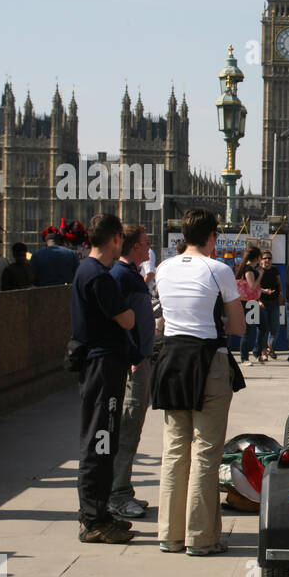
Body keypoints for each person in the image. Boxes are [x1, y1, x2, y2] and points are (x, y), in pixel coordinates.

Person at [150, 208, 245, 555]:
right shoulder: (218, 269)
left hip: (172, 360)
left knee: (174, 451)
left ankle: (169, 534)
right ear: (211, 238)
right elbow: (237, 327)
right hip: (208, 360)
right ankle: (200, 536)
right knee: (205, 451)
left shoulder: (163, 268)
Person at [70, 213, 135, 544]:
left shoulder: (89, 270)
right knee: (100, 440)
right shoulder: (99, 276)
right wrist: (133, 314)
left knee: (103, 438)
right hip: (102, 366)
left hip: (101, 364)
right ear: (114, 239)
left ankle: (100, 513)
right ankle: (93, 518)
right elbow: (125, 319)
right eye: (120, 237)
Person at [108, 224, 156, 522]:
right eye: (145, 243)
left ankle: (123, 490)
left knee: (132, 428)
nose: (148, 247)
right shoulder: (121, 277)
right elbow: (118, 322)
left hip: (139, 360)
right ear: (134, 247)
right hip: (133, 365)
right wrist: (134, 355)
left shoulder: (128, 276)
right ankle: (117, 496)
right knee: (127, 429)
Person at [236, 246, 264, 365]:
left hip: (251, 302)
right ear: (257, 258)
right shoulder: (249, 270)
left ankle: (256, 351)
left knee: (261, 326)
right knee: (247, 330)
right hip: (248, 303)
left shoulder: (249, 268)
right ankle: (244, 358)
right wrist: (261, 275)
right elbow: (252, 286)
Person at [257, 249, 281, 361]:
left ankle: (270, 346)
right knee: (263, 328)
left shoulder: (275, 270)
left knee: (275, 327)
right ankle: (263, 352)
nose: (267, 260)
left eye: (269, 258)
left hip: (274, 301)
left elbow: (279, 282)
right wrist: (258, 300)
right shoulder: (258, 270)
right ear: (261, 260)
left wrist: (280, 293)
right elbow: (254, 287)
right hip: (262, 302)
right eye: (265, 258)